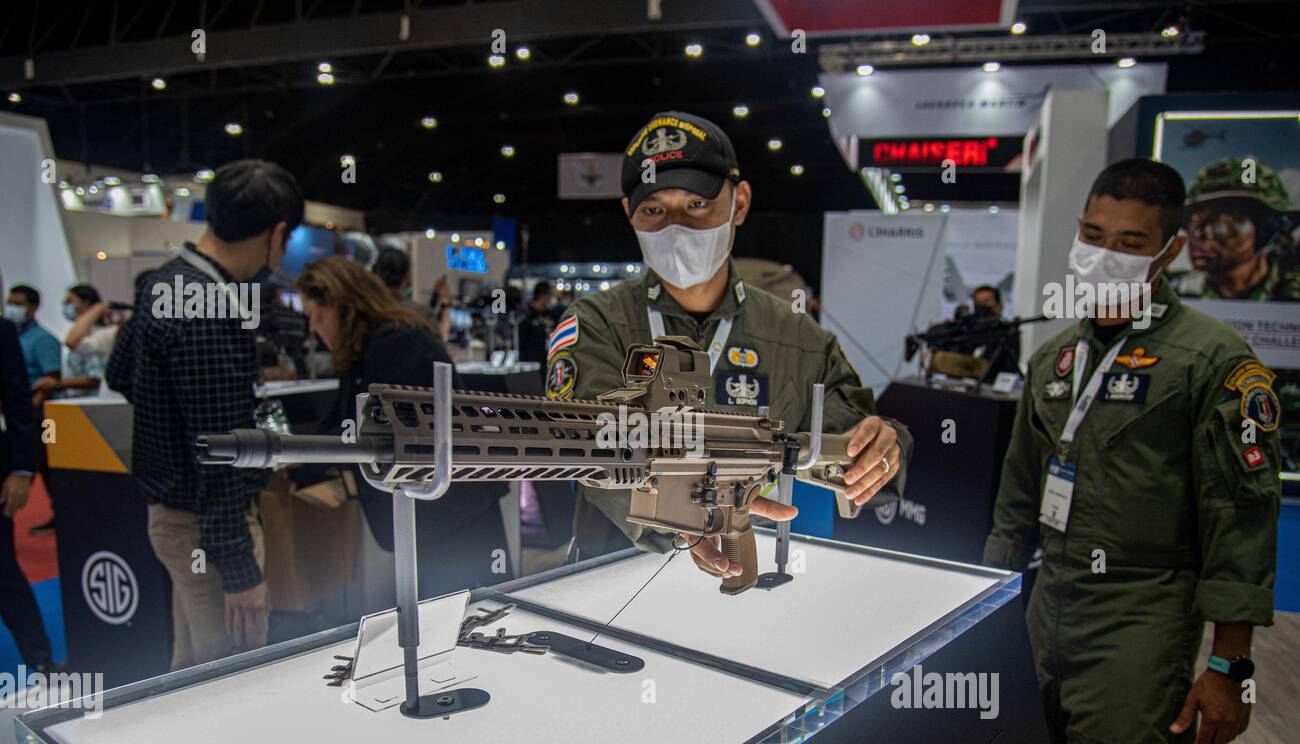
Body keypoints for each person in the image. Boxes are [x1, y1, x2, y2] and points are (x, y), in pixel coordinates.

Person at [984, 157, 1281, 744]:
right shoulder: (1056, 360)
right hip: (1043, 610)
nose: (1103, 254)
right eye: (1093, 234)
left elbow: (1239, 518)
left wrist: (1230, 665)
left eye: (1130, 242)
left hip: (1140, 621)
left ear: (1170, 250)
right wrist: (976, 619)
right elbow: (1016, 504)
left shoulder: (1211, 361)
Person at [548, 110, 911, 577]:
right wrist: (685, 515)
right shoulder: (595, 324)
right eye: (654, 209)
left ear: (739, 203)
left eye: (697, 204)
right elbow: (585, 451)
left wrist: (880, 453)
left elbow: (855, 436)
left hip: (753, 583)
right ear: (629, 215)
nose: (675, 226)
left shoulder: (799, 338)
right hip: (613, 576)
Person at [107, 158, 304, 670]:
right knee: (225, 683)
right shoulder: (213, 306)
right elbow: (221, 452)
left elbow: (118, 373)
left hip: (173, 519)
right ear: (277, 233)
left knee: (190, 669)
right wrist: (240, 570)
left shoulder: (164, 281)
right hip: (208, 529)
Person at [297, 256, 509, 597]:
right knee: (446, 619)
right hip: (437, 512)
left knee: (471, 617)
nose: (313, 327)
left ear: (337, 302)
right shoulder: (372, 347)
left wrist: (300, 460)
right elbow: (342, 423)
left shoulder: (395, 344)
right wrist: (297, 459)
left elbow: (376, 433)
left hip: (451, 514)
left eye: (314, 314)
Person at [0, 301, 54, 672]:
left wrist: (22, 470)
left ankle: (42, 663)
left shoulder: (3, 331)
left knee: (4, 571)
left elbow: (18, 404)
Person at [1171, 157, 1299, 301]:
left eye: (1217, 219)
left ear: (1267, 229)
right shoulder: (1178, 293)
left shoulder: (1292, 293)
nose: (1198, 233)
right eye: (1191, 220)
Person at [6, 284, 61, 535]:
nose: (12, 308)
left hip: (45, 418)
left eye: (18, 303)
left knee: (49, 465)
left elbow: (51, 379)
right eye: (10, 302)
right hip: (26, 415)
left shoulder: (43, 339)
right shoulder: (14, 335)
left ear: (34, 306)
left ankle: (60, 512)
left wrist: (30, 407)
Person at [56, 284, 122, 398]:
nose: (66, 306)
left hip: (91, 402)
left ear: (86, 302)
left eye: (70, 301)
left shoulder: (98, 333)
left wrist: (56, 385)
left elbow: (95, 378)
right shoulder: (77, 332)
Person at [517, 280, 554, 365]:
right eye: (549, 295)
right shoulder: (526, 314)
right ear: (543, 295)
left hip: (546, 358)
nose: (550, 299)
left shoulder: (547, 313)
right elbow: (521, 338)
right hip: (530, 359)